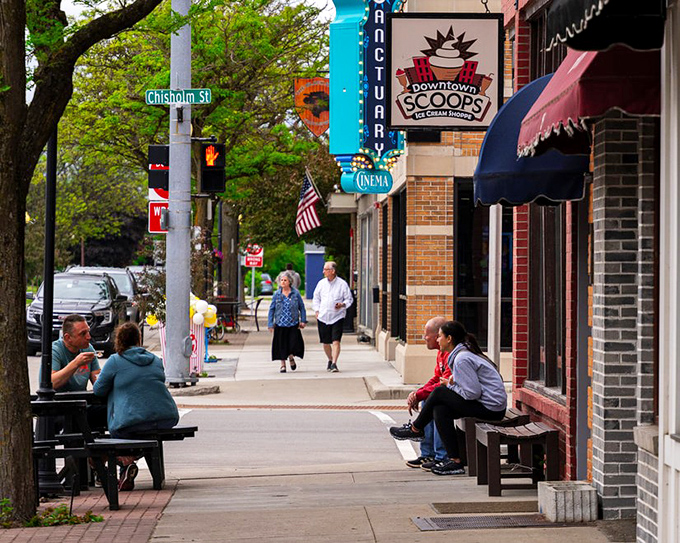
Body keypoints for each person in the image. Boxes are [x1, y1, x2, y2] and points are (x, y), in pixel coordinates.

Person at [390, 320, 507, 475]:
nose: (438, 340)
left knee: (439, 393)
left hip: (492, 408)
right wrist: (452, 383)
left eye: (440, 336)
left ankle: (416, 429)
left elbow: (472, 393)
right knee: (440, 409)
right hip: (485, 404)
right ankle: (454, 461)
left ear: (449, 338)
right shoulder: (460, 355)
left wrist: (450, 385)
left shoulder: (461, 358)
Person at [93, 322, 179, 491]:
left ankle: (126, 461)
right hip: (166, 416)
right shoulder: (155, 360)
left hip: (132, 421)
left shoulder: (115, 361)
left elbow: (98, 390)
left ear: (118, 340)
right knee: (142, 431)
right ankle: (129, 467)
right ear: (139, 339)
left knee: (120, 429)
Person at [41, 314, 108, 430]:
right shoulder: (55, 350)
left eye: (88, 332)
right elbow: (51, 382)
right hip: (58, 409)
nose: (88, 337)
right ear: (67, 338)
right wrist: (75, 363)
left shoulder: (88, 348)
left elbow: (98, 380)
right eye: (83, 334)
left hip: (81, 406)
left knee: (111, 410)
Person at [404, 316, 451, 471]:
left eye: (427, 334)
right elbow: (437, 378)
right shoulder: (441, 352)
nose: (425, 338)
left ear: (439, 336)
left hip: (467, 400)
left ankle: (441, 456)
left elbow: (445, 385)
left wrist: (420, 395)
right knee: (428, 401)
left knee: (437, 405)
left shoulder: (452, 354)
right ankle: (428, 454)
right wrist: (419, 393)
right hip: (452, 395)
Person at [312, 261, 353, 373]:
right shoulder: (321, 284)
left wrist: (342, 304)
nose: (323, 271)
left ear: (333, 271)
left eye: (326, 269)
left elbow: (349, 299)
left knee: (336, 341)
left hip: (337, 316)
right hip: (323, 316)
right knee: (326, 342)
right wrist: (316, 310)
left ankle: (334, 363)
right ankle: (330, 359)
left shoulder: (342, 284)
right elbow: (316, 298)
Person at [268, 272, 307, 373]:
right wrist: (270, 323)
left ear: (290, 281)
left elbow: (301, 307)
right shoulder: (277, 294)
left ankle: (291, 357)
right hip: (280, 323)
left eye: (285, 280)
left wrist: (303, 320)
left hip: (293, 323)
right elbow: (272, 309)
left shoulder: (295, 293)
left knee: (293, 344)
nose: (283, 282)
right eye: (281, 280)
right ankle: (283, 365)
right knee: (281, 345)